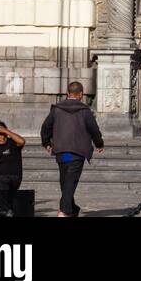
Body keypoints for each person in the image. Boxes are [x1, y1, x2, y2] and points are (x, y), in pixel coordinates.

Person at [39, 80, 104, 218]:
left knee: (65, 180)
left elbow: (45, 127)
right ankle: (64, 211)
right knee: (69, 180)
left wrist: (47, 143)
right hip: (77, 152)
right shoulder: (85, 111)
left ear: (67, 93)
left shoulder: (56, 109)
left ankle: (72, 209)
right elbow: (94, 129)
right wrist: (99, 144)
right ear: (81, 94)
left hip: (62, 152)